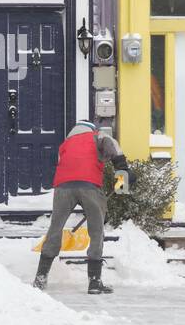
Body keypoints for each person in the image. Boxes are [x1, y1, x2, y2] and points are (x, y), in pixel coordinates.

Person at [35, 120, 128, 294]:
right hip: (89, 185)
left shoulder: (65, 144)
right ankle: (94, 282)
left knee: (55, 228)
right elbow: (113, 149)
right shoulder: (98, 136)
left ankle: (40, 278)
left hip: (63, 188)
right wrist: (123, 174)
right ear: (92, 128)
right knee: (96, 231)